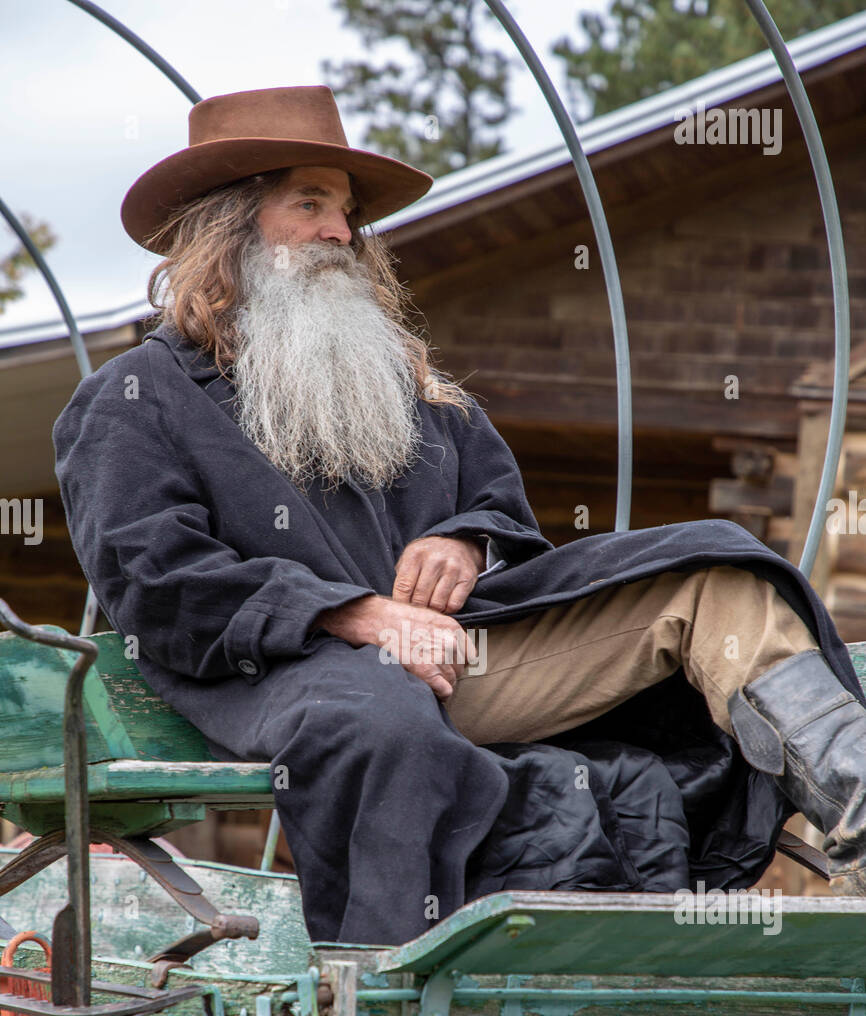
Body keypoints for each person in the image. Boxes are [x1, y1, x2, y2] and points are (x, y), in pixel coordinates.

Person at [54, 86, 866, 946]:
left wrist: (468, 541)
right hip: (293, 676)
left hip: (462, 656)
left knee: (717, 570)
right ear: (228, 227)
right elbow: (157, 579)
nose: (341, 232)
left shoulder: (402, 382)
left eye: (348, 212)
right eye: (310, 203)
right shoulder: (131, 402)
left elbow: (500, 504)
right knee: (384, 728)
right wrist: (357, 615)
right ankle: (379, 1001)